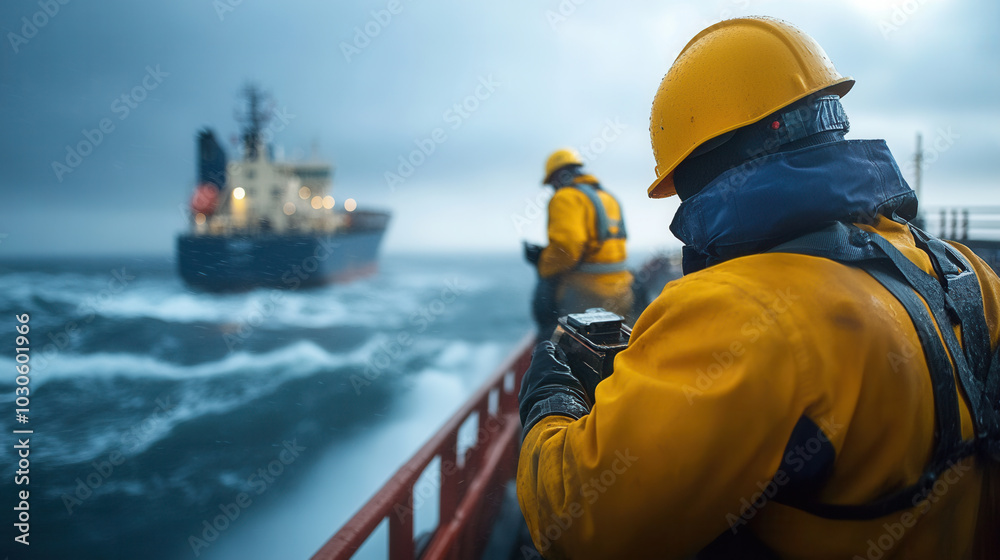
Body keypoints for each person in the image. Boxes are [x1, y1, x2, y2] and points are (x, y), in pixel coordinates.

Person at [516, 17, 999, 559]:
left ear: (703, 170)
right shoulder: (966, 272)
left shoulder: (735, 312)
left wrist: (549, 401)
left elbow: (575, 524)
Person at [525, 148, 634, 341]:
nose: (553, 188)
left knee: (555, 332)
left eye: (552, 183)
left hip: (586, 293)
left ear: (558, 176)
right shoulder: (608, 197)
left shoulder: (565, 197)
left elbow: (567, 250)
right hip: (622, 289)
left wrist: (541, 262)